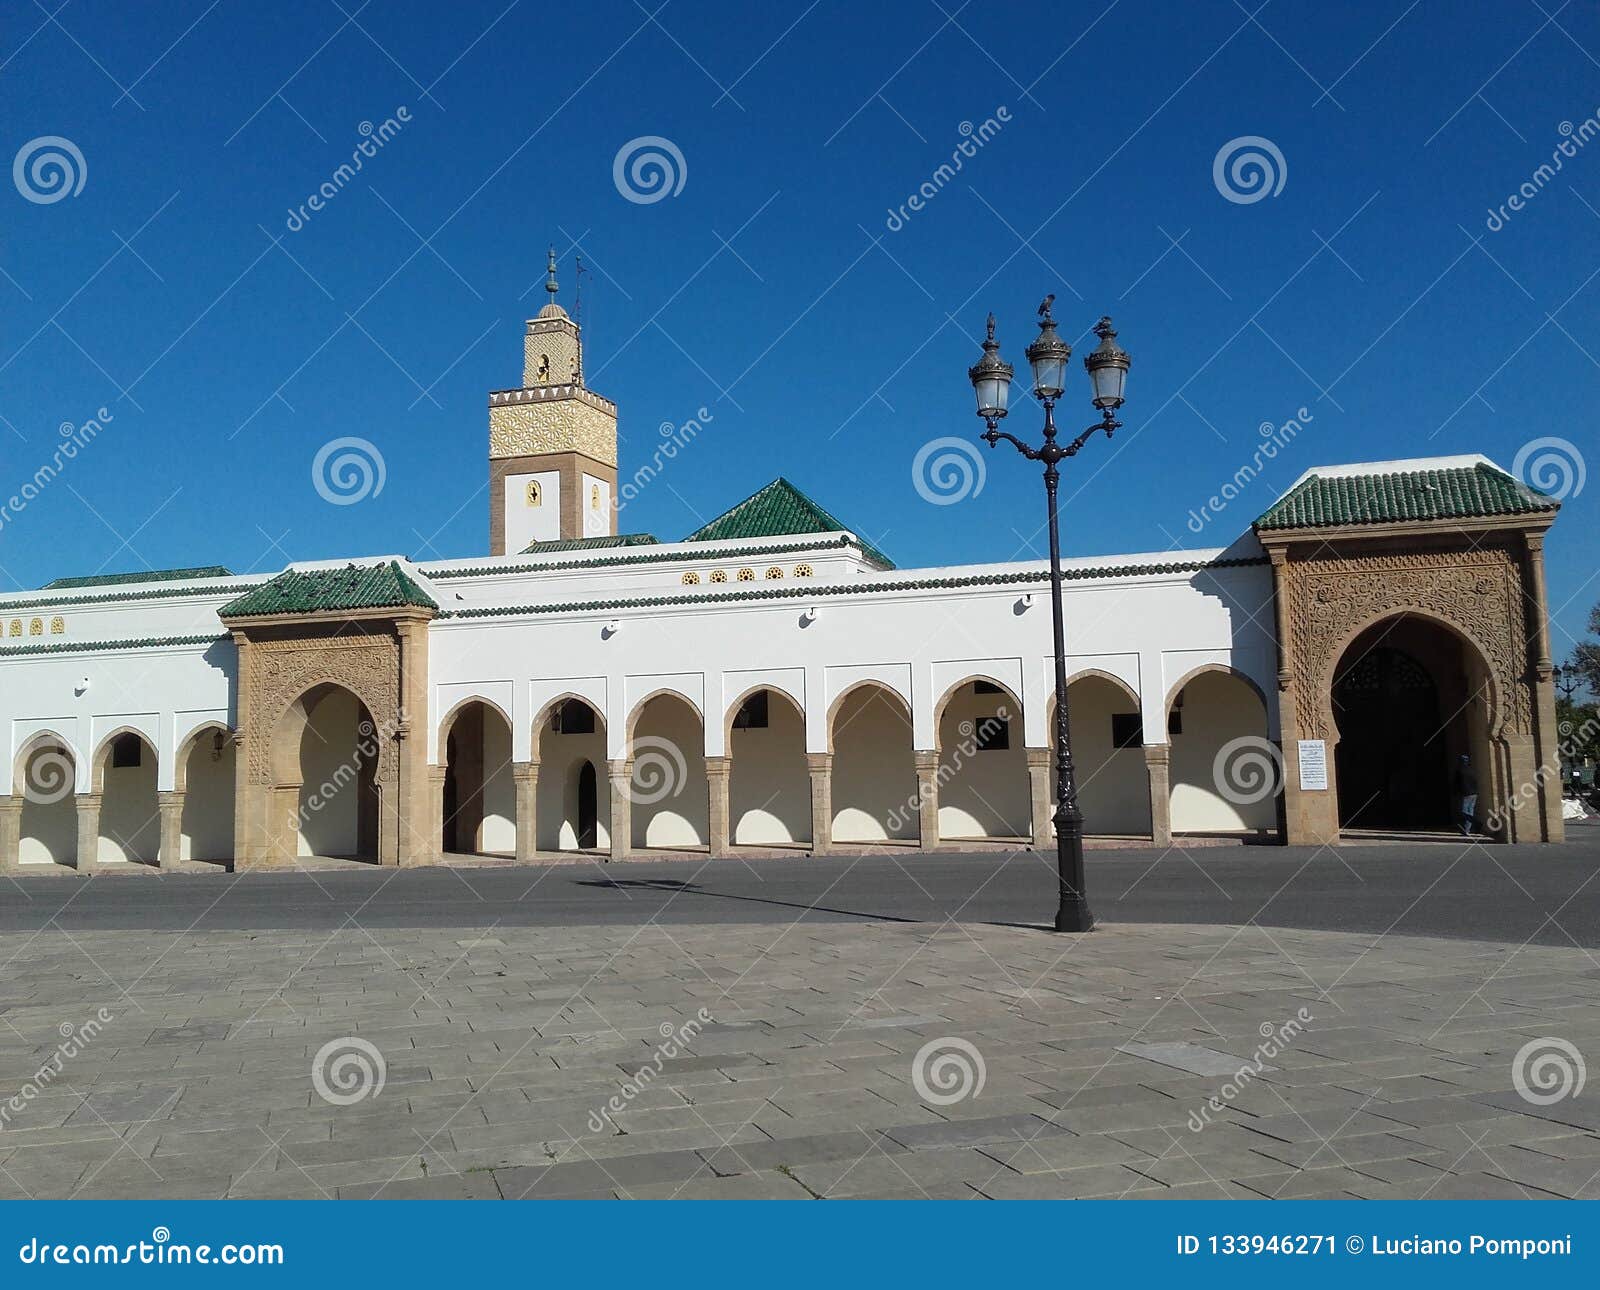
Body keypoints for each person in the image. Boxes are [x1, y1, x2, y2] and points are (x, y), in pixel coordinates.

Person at [1452, 754, 1478, 836]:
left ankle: (1466, 829)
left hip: (1466, 793)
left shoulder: (1460, 770)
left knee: (1465, 811)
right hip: (1474, 793)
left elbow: (1457, 783)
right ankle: (1468, 829)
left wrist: (1455, 792)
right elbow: (1475, 781)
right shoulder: (1471, 770)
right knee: (1470, 811)